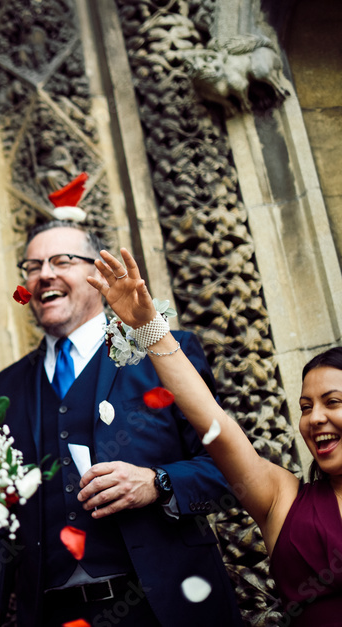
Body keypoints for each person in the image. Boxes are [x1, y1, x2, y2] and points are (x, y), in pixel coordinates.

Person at [0, 221, 242, 627]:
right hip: (52, 614)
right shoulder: (6, 387)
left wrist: (156, 482)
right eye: (33, 265)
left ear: (96, 273)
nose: (45, 274)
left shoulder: (167, 353)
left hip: (167, 607)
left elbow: (231, 470)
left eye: (62, 260)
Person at [90, 247, 342, 625]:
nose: (315, 419)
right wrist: (149, 329)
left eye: (332, 402)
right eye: (305, 407)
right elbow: (216, 427)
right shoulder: (281, 497)